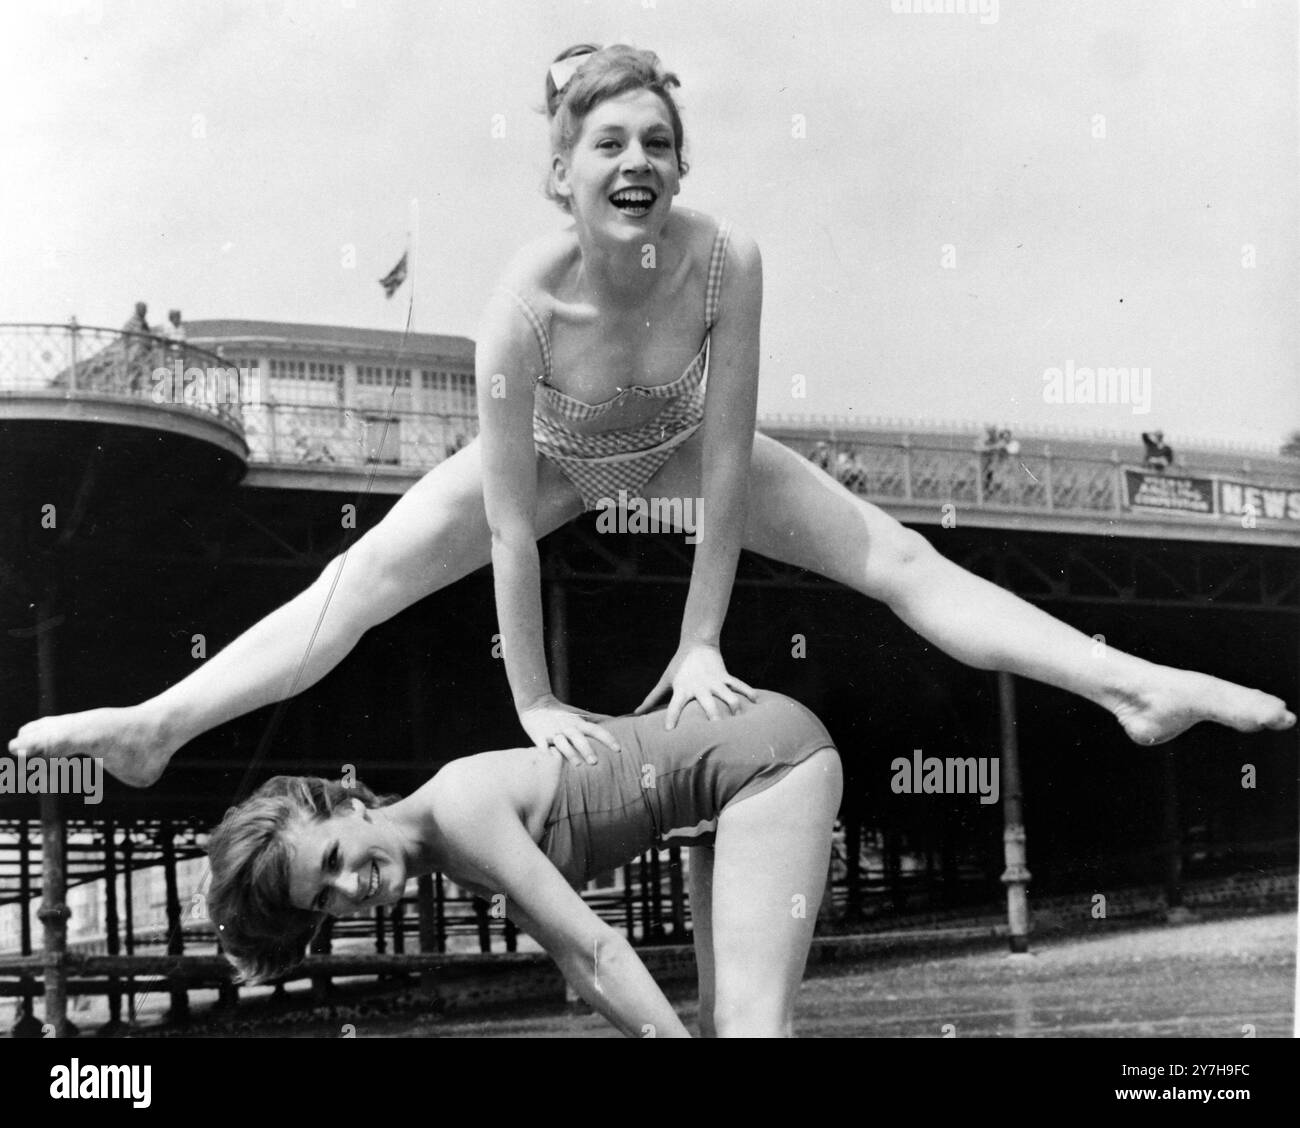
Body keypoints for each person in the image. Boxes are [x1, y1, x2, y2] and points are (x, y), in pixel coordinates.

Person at [8, 44, 1294, 788]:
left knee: (902, 559)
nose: (637, 162)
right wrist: (537, 702)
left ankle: (1132, 684)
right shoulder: (524, 299)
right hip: (555, 457)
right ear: (560, 177)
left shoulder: (726, 261)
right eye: (608, 144)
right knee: (357, 581)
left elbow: (727, 469)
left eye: (658, 143)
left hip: (680, 445)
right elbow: (513, 531)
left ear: (681, 165)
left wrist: (697, 644)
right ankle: (157, 725)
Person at [206, 690, 842, 1038]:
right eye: (323, 899)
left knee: (748, 1029)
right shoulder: (452, 858)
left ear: (348, 803)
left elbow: (602, 948)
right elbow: (575, 960)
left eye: (334, 857)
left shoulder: (459, 809)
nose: (349, 887)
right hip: (711, 802)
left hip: (761, 762)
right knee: (716, 1029)